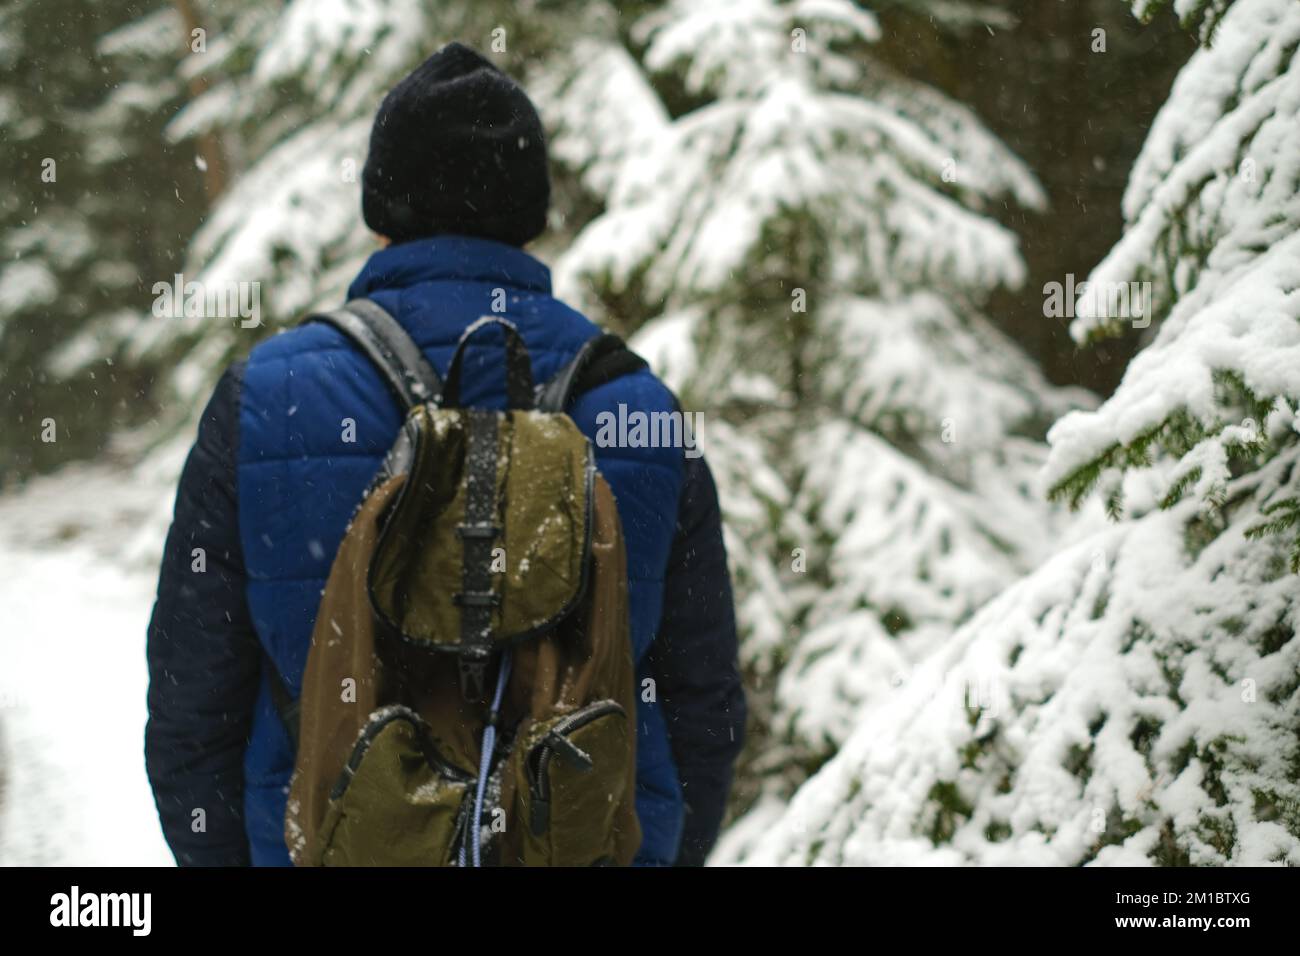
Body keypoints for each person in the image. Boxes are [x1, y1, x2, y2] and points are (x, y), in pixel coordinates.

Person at [144, 41, 746, 867]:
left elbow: (191, 712)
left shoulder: (263, 400)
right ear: (531, 214)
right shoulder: (640, 411)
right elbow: (703, 713)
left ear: (380, 208)